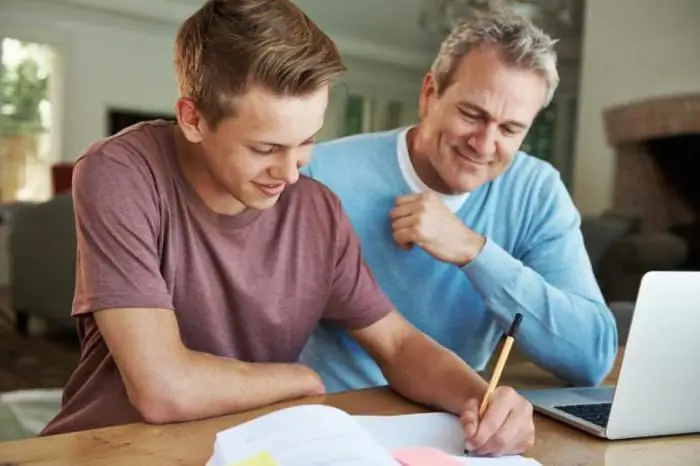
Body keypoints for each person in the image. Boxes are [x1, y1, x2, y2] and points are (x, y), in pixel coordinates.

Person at [40, 0, 535, 457]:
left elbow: (398, 344)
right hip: (106, 449)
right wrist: (299, 378)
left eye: (307, 142)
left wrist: (484, 400)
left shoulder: (316, 210)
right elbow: (163, 389)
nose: (292, 172)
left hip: (245, 451)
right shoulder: (121, 174)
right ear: (192, 118)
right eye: (265, 148)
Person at [299, 9, 619, 395]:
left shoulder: (537, 191)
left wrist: (475, 252)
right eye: (472, 114)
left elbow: (592, 359)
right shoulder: (321, 171)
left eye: (510, 128)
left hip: (456, 417)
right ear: (429, 94)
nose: (484, 144)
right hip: (337, 415)